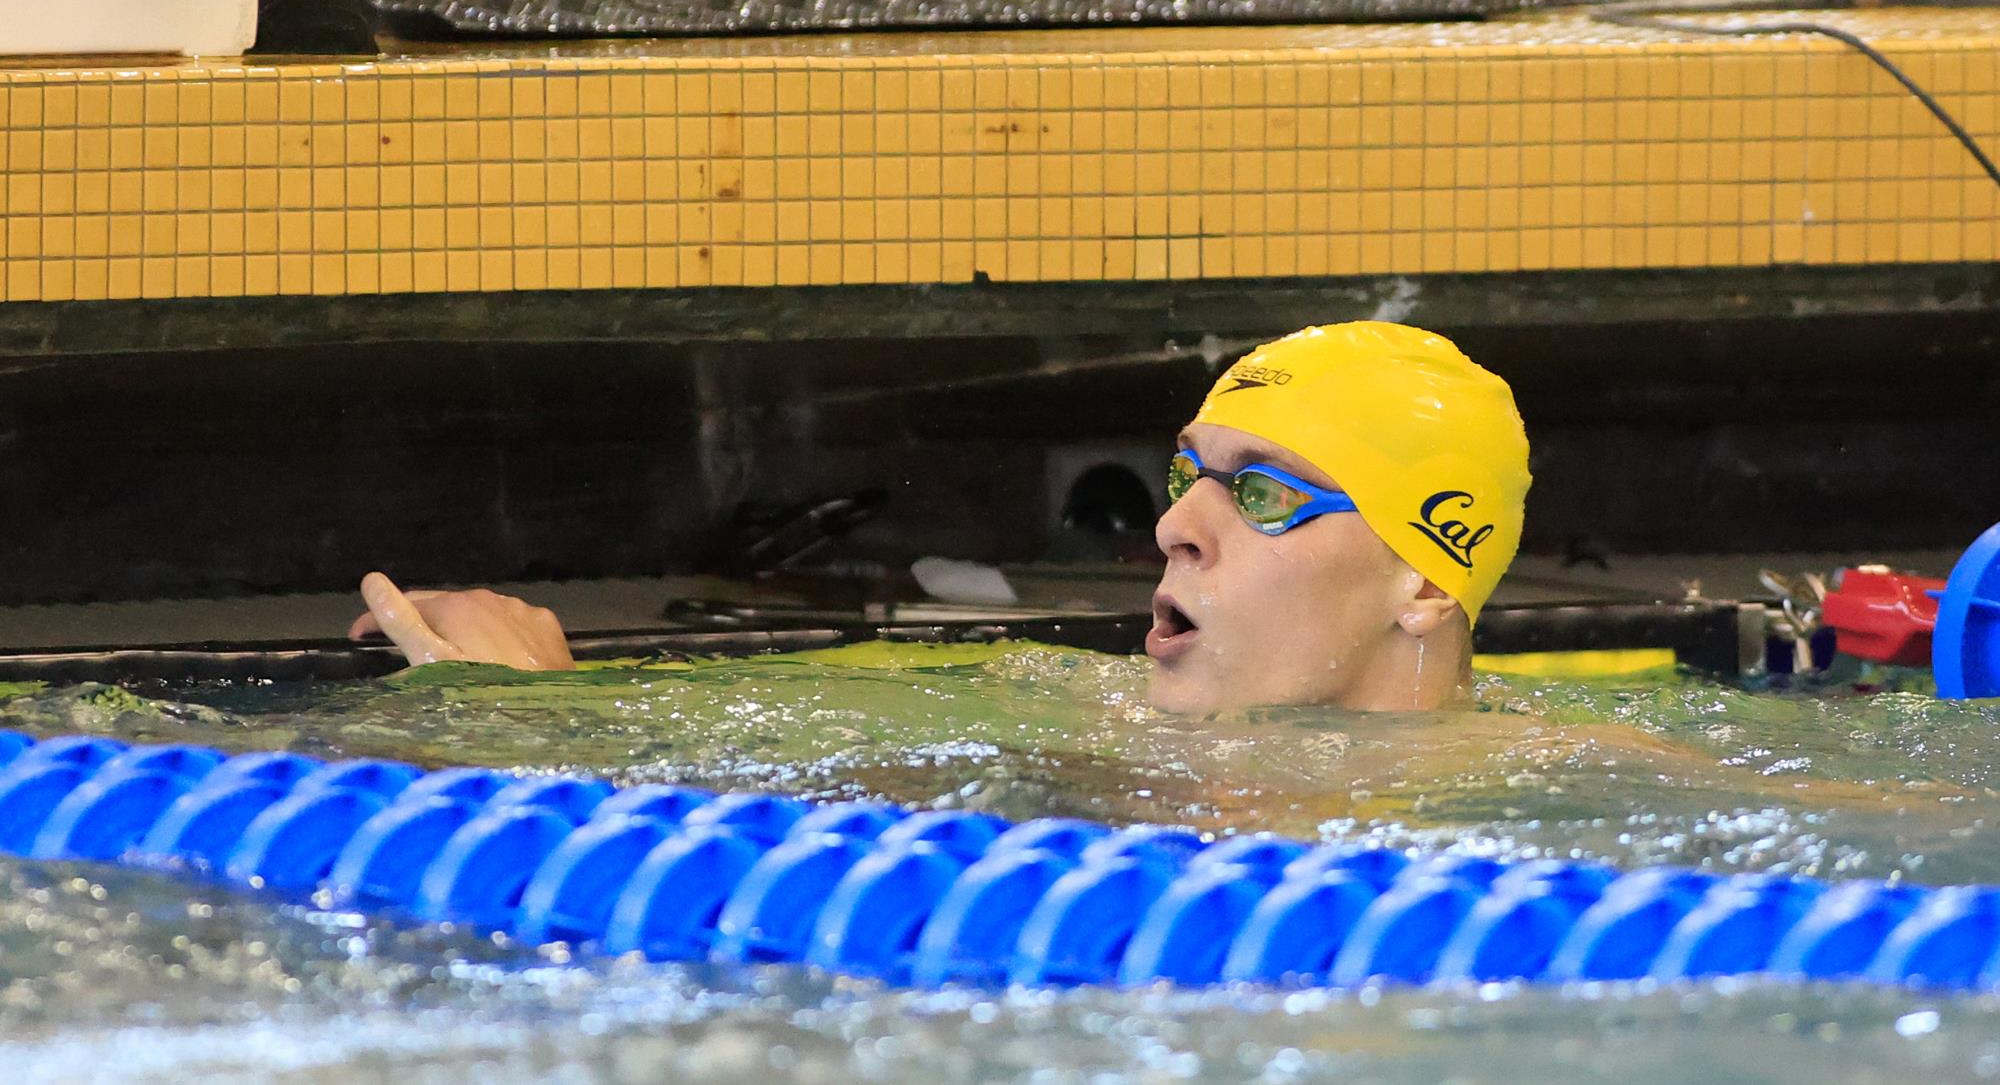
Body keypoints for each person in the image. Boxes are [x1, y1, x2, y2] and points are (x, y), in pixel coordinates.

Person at [349, 321, 1531, 714]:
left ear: (1424, 579)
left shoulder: (1551, 810)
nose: (1178, 527)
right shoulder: (1051, 712)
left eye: (1263, 492)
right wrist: (539, 708)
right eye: (1187, 477)